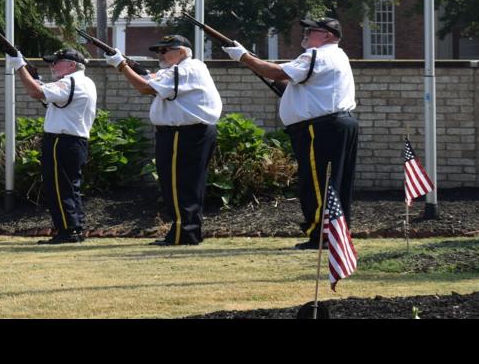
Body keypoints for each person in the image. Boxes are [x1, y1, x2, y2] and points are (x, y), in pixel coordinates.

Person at [224, 17, 357, 249]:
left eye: (312, 30)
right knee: (334, 183)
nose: (305, 33)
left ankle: (322, 235)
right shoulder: (338, 56)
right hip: (335, 124)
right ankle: (335, 233)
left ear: (327, 35)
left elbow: (277, 72)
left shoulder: (319, 55)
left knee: (316, 183)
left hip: (320, 128)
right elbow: (304, 88)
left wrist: (244, 57)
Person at [106, 34, 222, 245]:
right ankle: (188, 232)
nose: (160, 54)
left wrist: (121, 65)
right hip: (186, 133)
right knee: (186, 185)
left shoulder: (186, 68)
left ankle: (183, 234)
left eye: (165, 50)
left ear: (182, 52)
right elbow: (151, 79)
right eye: (159, 51)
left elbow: (145, 87)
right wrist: (133, 67)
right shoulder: (178, 71)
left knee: (178, 185)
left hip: (184, 133)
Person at [11, 47, 98, 245]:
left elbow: (35, 92)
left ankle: (67, 231)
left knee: (59, 187)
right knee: (69, 187)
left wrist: (20, 67)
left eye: (56, 62)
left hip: (62, 140)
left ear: (72, 65)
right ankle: (75, 227)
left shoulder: (70, 82)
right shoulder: (85, 82)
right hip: (74, 140)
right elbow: (49, 96)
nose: (52, 66)